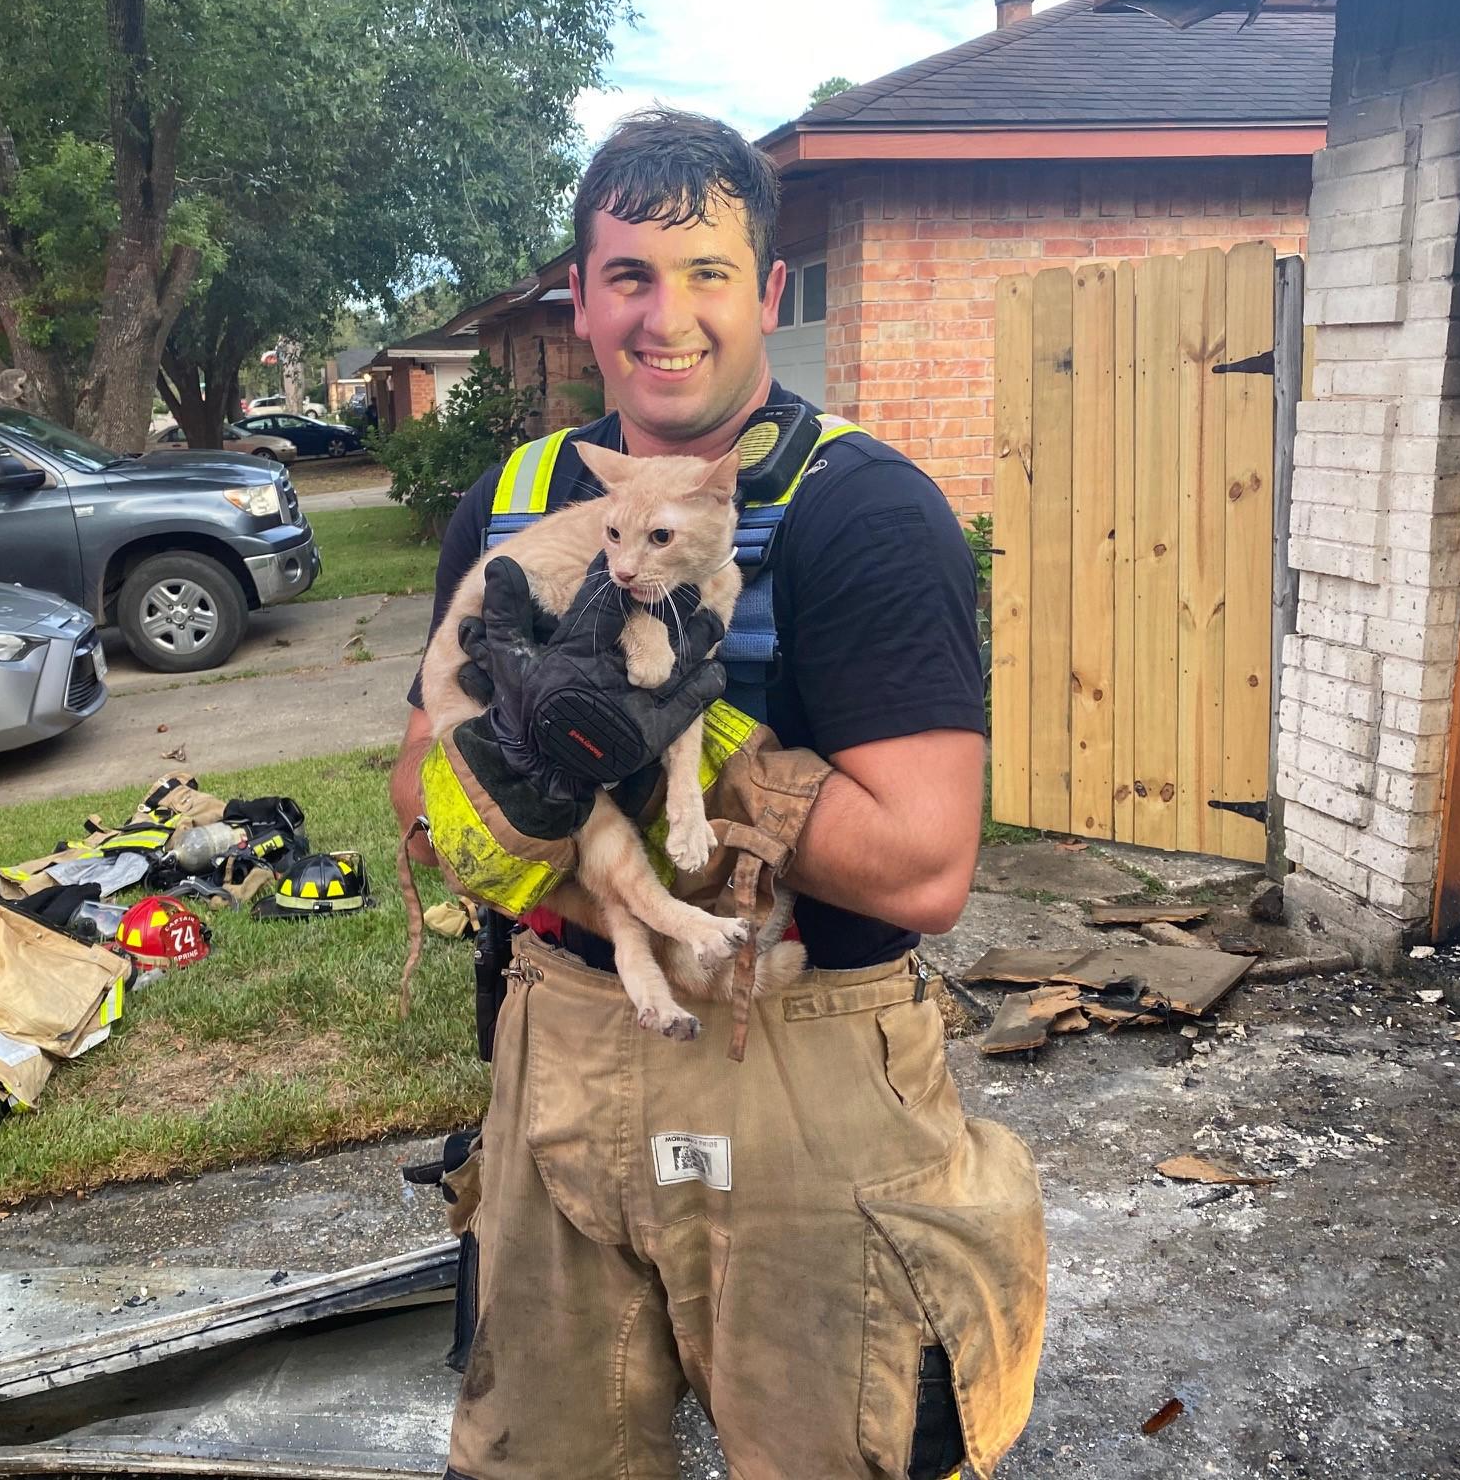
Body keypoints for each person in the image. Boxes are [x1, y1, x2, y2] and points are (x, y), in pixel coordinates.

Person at [390, 109, 1045, 1480]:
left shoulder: (862, 512)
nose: (664, 314)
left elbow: (926, 869)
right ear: (580, 299)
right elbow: (421, 786)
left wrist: (687, 721)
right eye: (628, 275)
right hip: (562, 1038)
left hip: (797, 1057)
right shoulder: (509, 505)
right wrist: (504, 792)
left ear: (769, 293)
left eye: (705, 272)